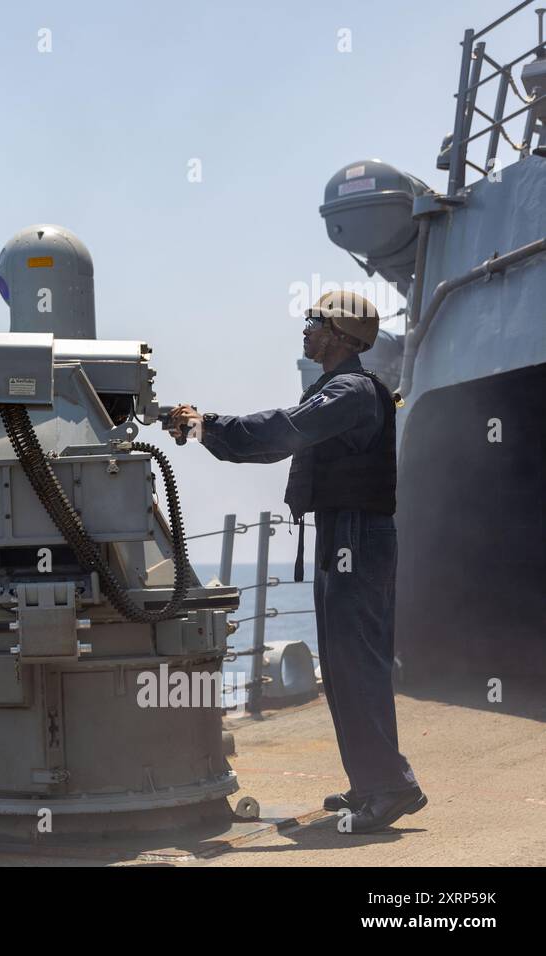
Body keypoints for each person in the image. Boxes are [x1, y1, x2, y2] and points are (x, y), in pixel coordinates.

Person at [166, 290, 425, 834]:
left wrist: (204, 424)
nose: (305, 329)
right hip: (342, 532)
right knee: (341, 665)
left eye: (314, 321)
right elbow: (276, 436)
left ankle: (390, 786)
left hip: (356, 533)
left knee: (357, 664)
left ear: (338, 335)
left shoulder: (350, 391)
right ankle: (370, 781)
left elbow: (279, 431)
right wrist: (206, 428)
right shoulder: (337, 389)